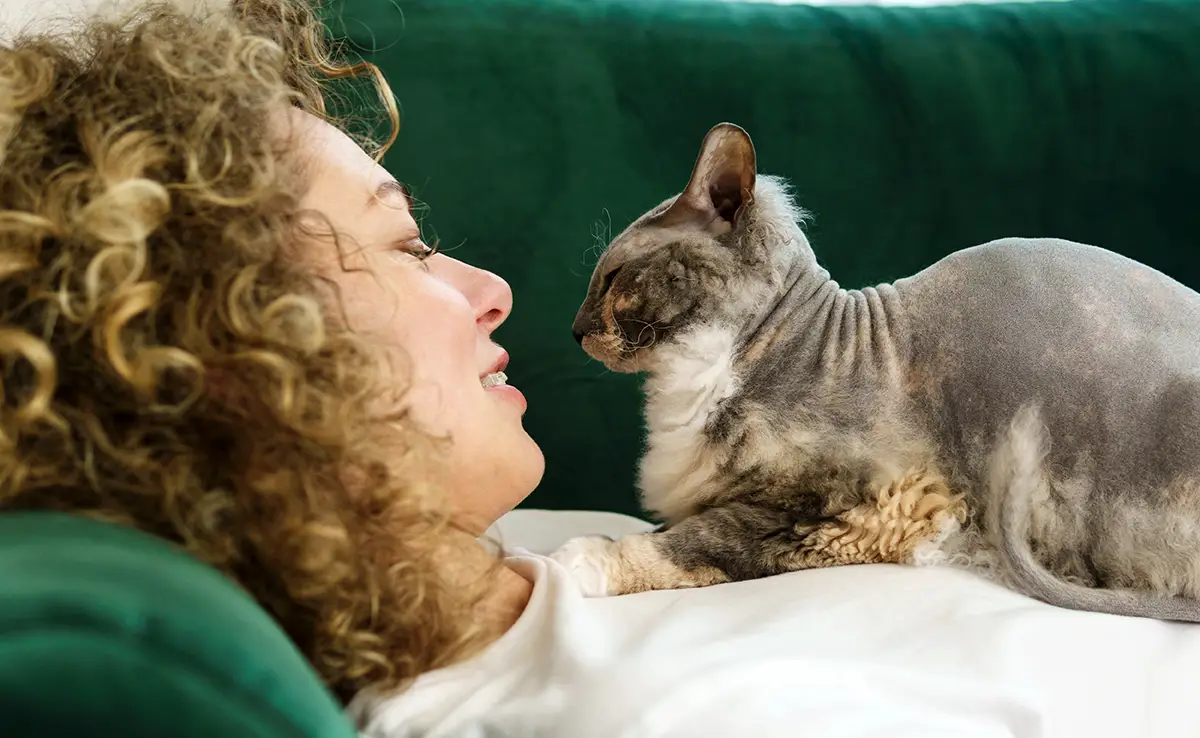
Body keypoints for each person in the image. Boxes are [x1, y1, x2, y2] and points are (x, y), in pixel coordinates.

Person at [4, 2, 1200, 737]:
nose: (495, 287)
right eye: (406, 244)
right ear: (230, 361)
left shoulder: (547, 556)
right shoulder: (653, 711)